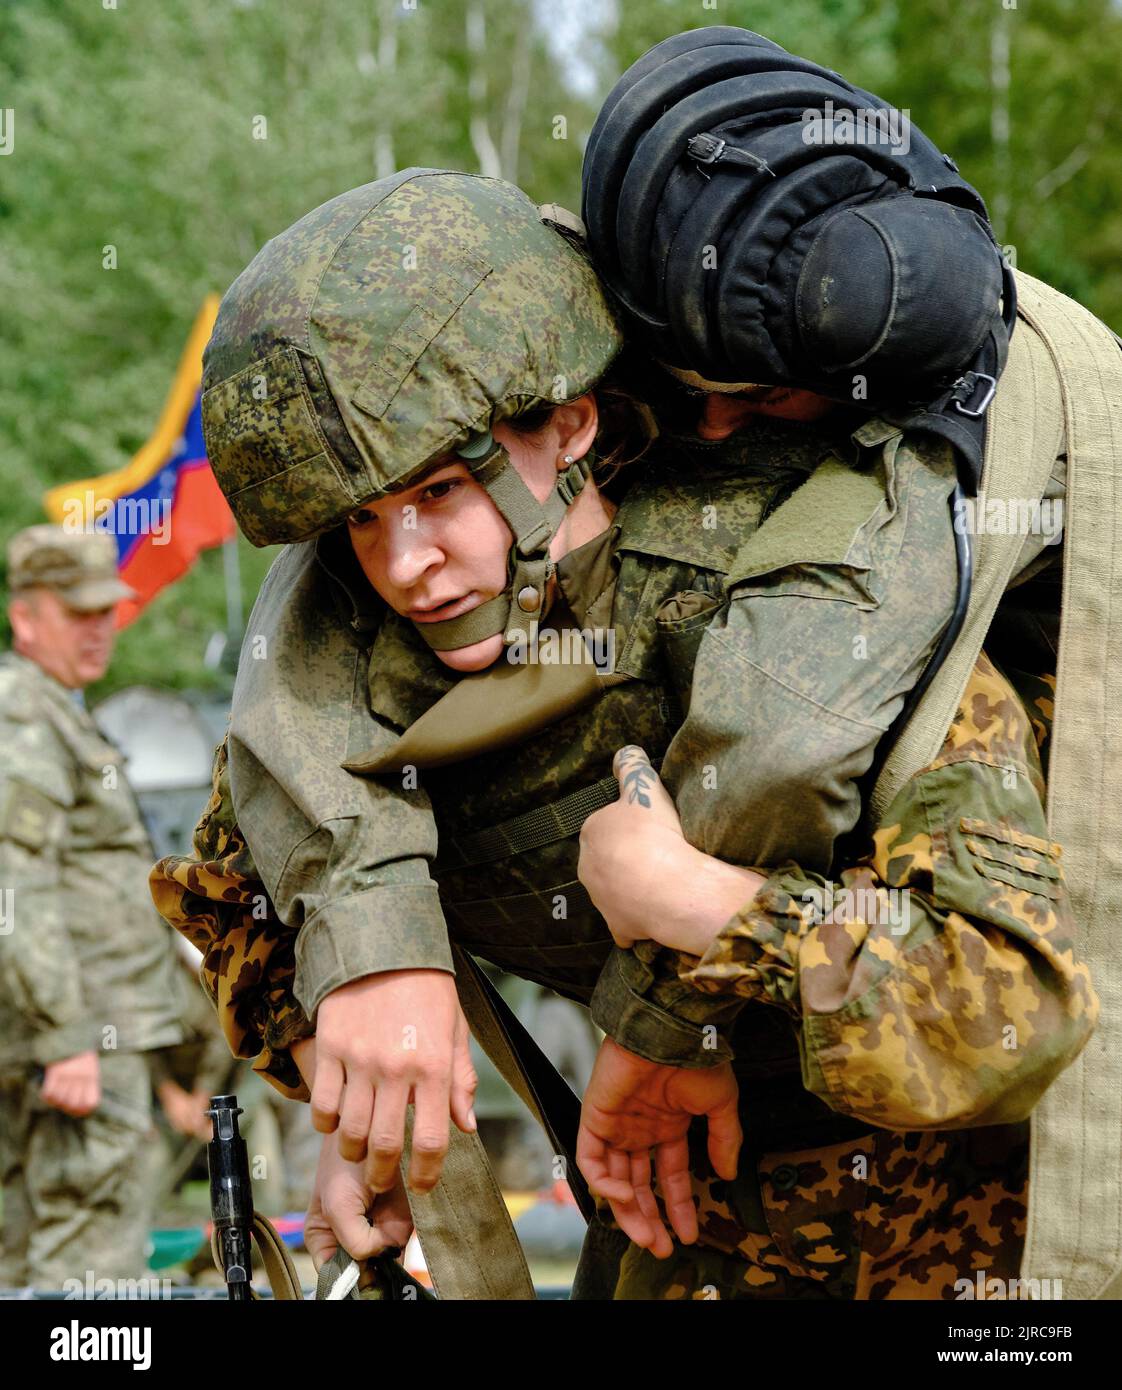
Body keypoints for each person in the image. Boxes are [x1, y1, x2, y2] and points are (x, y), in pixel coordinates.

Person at [151, 168, 1095, 1297]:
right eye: (363, 520)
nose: (405, 565)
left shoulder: (814, 604)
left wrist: (710, 911)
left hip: (948, 1240)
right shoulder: (356, 687)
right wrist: (372, 1094)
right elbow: (231, 895)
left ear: (570, 427)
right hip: (664, 1225)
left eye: (443, 491)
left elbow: (1009, 1004)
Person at [0, 525, 182, 1288]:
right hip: (82, 1037)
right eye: (77, 613)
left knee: (34, 1237)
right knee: (91, 1258)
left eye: (105, 611)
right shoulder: (25, 716)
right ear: (24, 617)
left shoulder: (51, 707)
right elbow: (13, 885)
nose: (98, 629)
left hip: (82, 1028)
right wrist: (66, 1034)